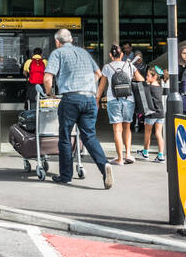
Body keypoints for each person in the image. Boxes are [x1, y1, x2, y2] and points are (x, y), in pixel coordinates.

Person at [42, 28, 113, 188]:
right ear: (72, 40)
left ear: (57, 42)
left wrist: (49, 93)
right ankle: (104, 166)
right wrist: (88, 85)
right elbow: (98, 73)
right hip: (89, 97)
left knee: (65, 136)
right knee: (89, 136)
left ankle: (66, 176)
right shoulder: (84, 53)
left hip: (71, 98)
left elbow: (47, 78)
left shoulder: (57, 53)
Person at [99, 44, 145, 165]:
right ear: (122, 55)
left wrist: (97, 99)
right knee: (127, 128)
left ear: (110, 55)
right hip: (129, 99)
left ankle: (119, 159)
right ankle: (128, 154)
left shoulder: (107, 67)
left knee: (117, 130)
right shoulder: (129, 65)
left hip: (113, 100)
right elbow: (141, 80)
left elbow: (102, 86)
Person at [138, 64, 166, 160]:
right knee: (158, 133)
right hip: (160, 113)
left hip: (151, 113)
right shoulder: (160, 87)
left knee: (147, 133)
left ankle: (145, 152)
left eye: (148, 75)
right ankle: (160, 155)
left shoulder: (148, 88)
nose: (146, 77)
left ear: (154, 77)